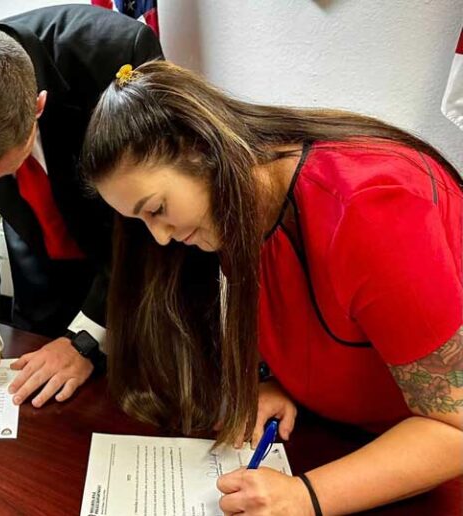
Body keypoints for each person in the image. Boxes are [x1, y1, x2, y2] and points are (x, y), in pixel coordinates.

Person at [80, 60, 463, 515]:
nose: (160, 237)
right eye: (140, 221)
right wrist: (275, 379)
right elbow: (300, 312)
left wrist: (305, 497)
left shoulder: (369, 207)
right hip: (345, 440)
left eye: (157, 209)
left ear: (202, 148)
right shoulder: (233, 210)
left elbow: (455, 428)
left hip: (428, 466)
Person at [0, 5, 163, 408]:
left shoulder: (115, 55)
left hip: (135, 278)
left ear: (38, 107)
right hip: (42, 275)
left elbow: (149, 222)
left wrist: (85, 340)